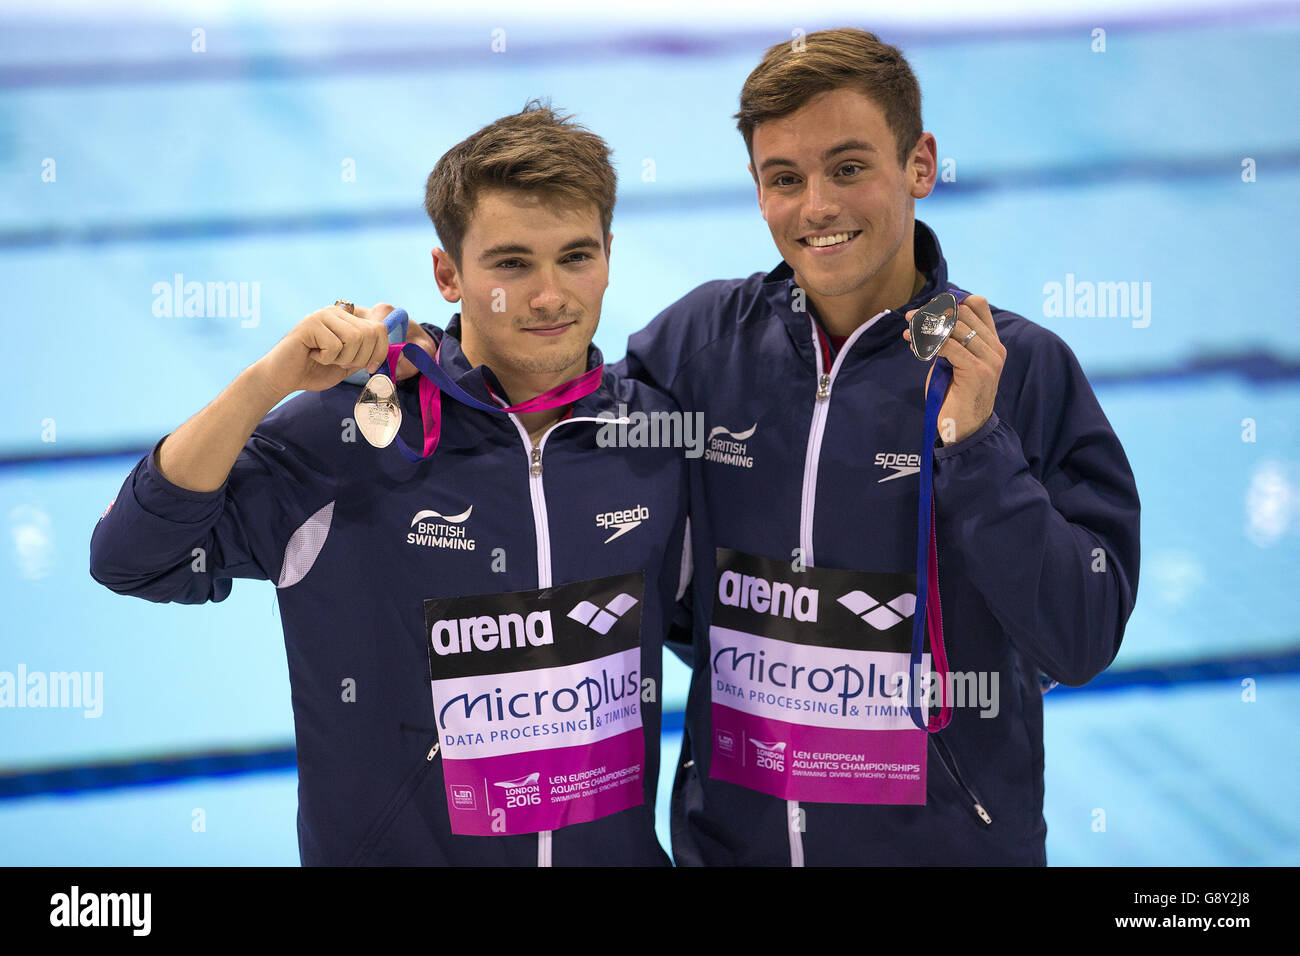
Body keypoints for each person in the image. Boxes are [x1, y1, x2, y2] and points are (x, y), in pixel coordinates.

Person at [90, 102, 688, 866]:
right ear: (447, 273)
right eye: (510, 264)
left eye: (576, 257)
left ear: (610, 251)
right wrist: (267, 381)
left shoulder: (654, 441)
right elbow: (132, 558)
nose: (548, 296)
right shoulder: (346, 440)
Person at [619, 28, 1141, 865]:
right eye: (784, 179)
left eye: (849, 167)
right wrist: (401, 364)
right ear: (757, 192)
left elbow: (1081, 638)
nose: (817, 206)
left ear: (920, 165)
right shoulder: (701, 347)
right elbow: (553, 437)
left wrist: (975, 449)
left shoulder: (1020, 369)